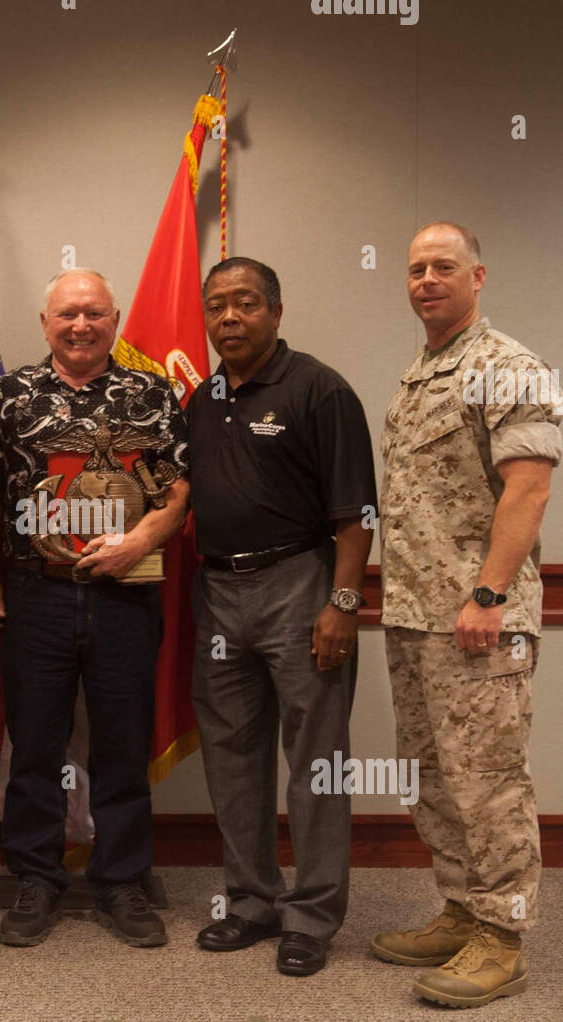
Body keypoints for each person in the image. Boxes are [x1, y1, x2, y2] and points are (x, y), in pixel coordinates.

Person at [371, 221, 562, 1008]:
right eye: (415, 268)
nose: (426, 279)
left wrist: (487, 595)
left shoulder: (505, 365)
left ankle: (503, 936)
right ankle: (462, 909)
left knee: (488, 780)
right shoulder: (421, 372)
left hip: (478, 615)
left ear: (477, 276)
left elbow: (530, 488)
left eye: (443, 266)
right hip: (417, 615)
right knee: (436, 777)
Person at [0, 269, 190, 947]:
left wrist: (139, 542)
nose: (81, 326)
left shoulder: (149, 393)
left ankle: (121, 880)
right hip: (36, 595)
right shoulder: (11, 397)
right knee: (35, 743)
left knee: (122, 742)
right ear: (45, 323)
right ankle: (36, 877)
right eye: (67, 314)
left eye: (94, 313)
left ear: (115, 319)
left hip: (125, 594)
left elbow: (179, 489)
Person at [186, 257, 376, 977]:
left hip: (303, 585)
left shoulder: (319, 389)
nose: (228, 318)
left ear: (276, 311)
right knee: (233, 754)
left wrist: (343, 602)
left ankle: (313, 914)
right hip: (220, 593)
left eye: (245, 304)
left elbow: (358, 513)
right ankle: (251, 901)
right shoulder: (201, 400)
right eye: (216, 306)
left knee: (316, 759)